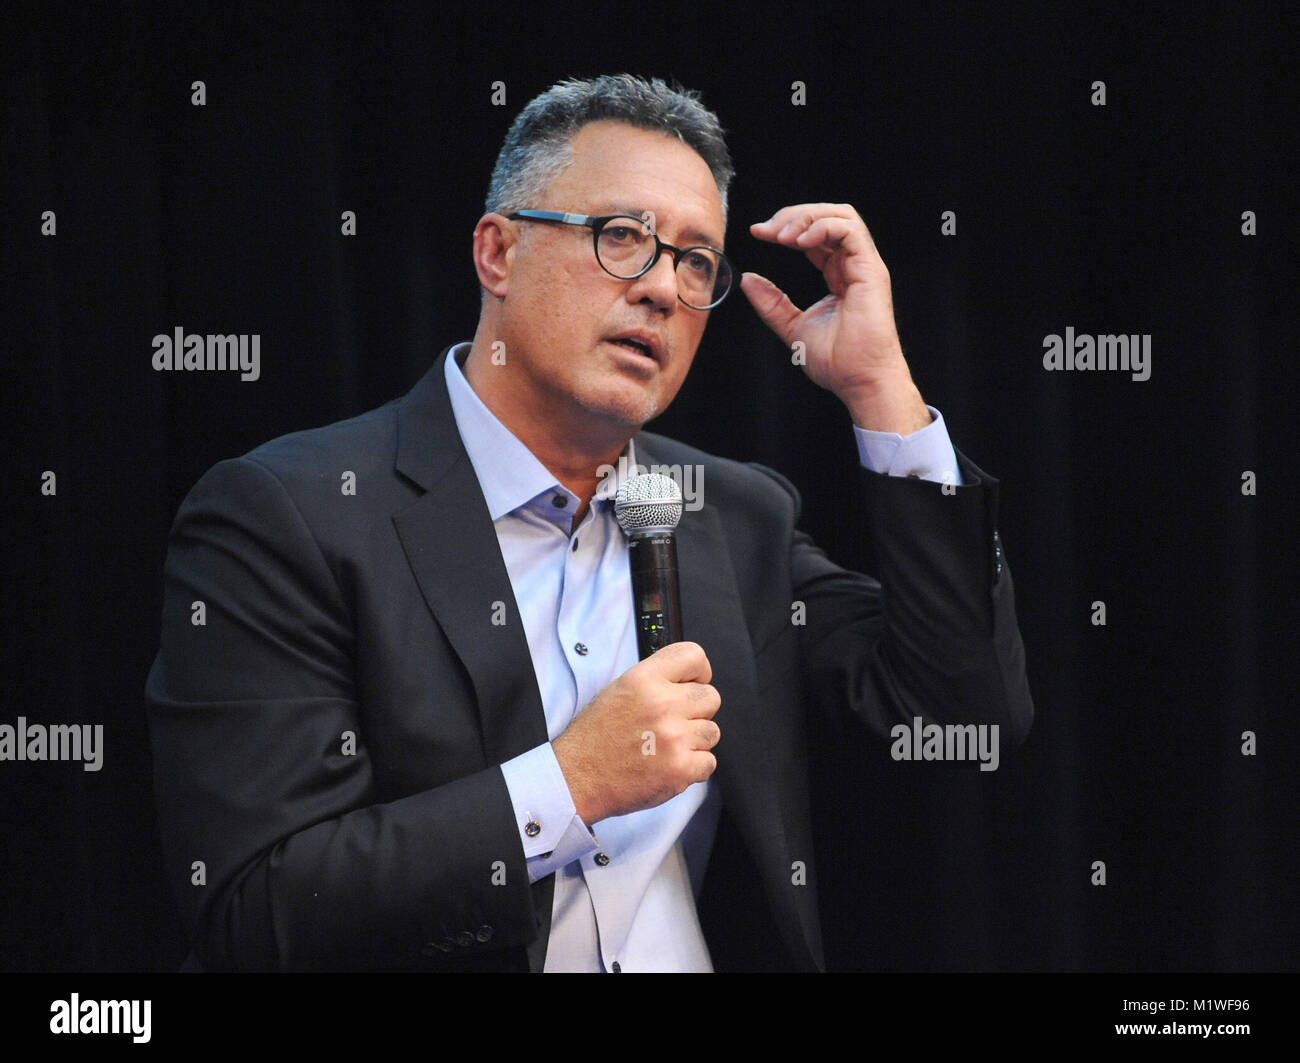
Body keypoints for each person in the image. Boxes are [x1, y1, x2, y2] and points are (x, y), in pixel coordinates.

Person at [145, 74, 1033, 972]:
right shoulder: (291, 513)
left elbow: (963, 713)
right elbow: (255, 910)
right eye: (622, 237)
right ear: (497, 252)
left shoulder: (732, 514)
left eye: (695, 262)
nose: (661, 289)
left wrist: (883, 391)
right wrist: (569, 784)